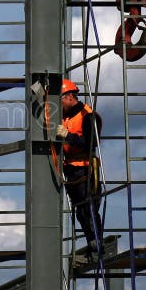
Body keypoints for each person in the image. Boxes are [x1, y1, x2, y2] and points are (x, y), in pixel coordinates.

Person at [55, 79, 104, 257]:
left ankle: (97, 246)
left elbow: (91, 144)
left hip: (86, 169)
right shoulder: (65, 117)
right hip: (72, 170)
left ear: (69, 97)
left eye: (59, 100)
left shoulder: (87, 116)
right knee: (81, 212)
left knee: (88, 209)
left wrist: (68, 136)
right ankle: (93, 245)